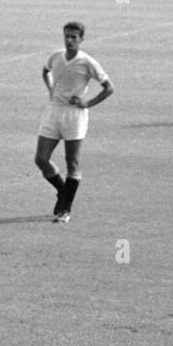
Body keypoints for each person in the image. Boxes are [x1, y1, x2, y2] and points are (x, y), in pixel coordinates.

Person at [34, 21, 114, 225]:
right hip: (53, 111)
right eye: (66, 36)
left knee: (72, 162)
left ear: (81, 40)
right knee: (41, 159)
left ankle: (65, 209)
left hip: (75, 115)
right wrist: (50, 89)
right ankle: (63, 192)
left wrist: (88, 103)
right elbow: (45, 71)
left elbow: (108, 87)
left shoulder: (87, 62)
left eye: (74, 37)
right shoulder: (55, 57)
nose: (69, 40)